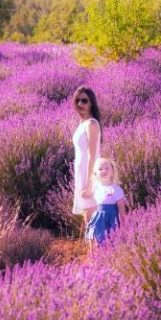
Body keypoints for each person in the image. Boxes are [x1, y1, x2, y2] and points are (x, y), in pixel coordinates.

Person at [71, 86, 101, 226]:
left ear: (91, 103)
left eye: (84, 101)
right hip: (81, 173)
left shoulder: (92, 124)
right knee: (88, 217)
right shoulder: (82, 123)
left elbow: (92, 155)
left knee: (92, 218)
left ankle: (95, 243)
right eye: (77, 100)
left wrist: (89, 184)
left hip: (89, 174)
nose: (80, 104)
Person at [85, 157, 127, 247]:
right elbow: (94, 201)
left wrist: (123, 222)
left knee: (112, 238)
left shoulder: (116, 189)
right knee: (99, 237)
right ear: (95, 173)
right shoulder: (96, 187)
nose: (104, 170)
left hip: (111, 218)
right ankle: (98, 253)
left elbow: (121, 207)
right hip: (99, 218)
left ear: (112, 172)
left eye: (107, 168)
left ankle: (112, 253)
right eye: (100, 169)